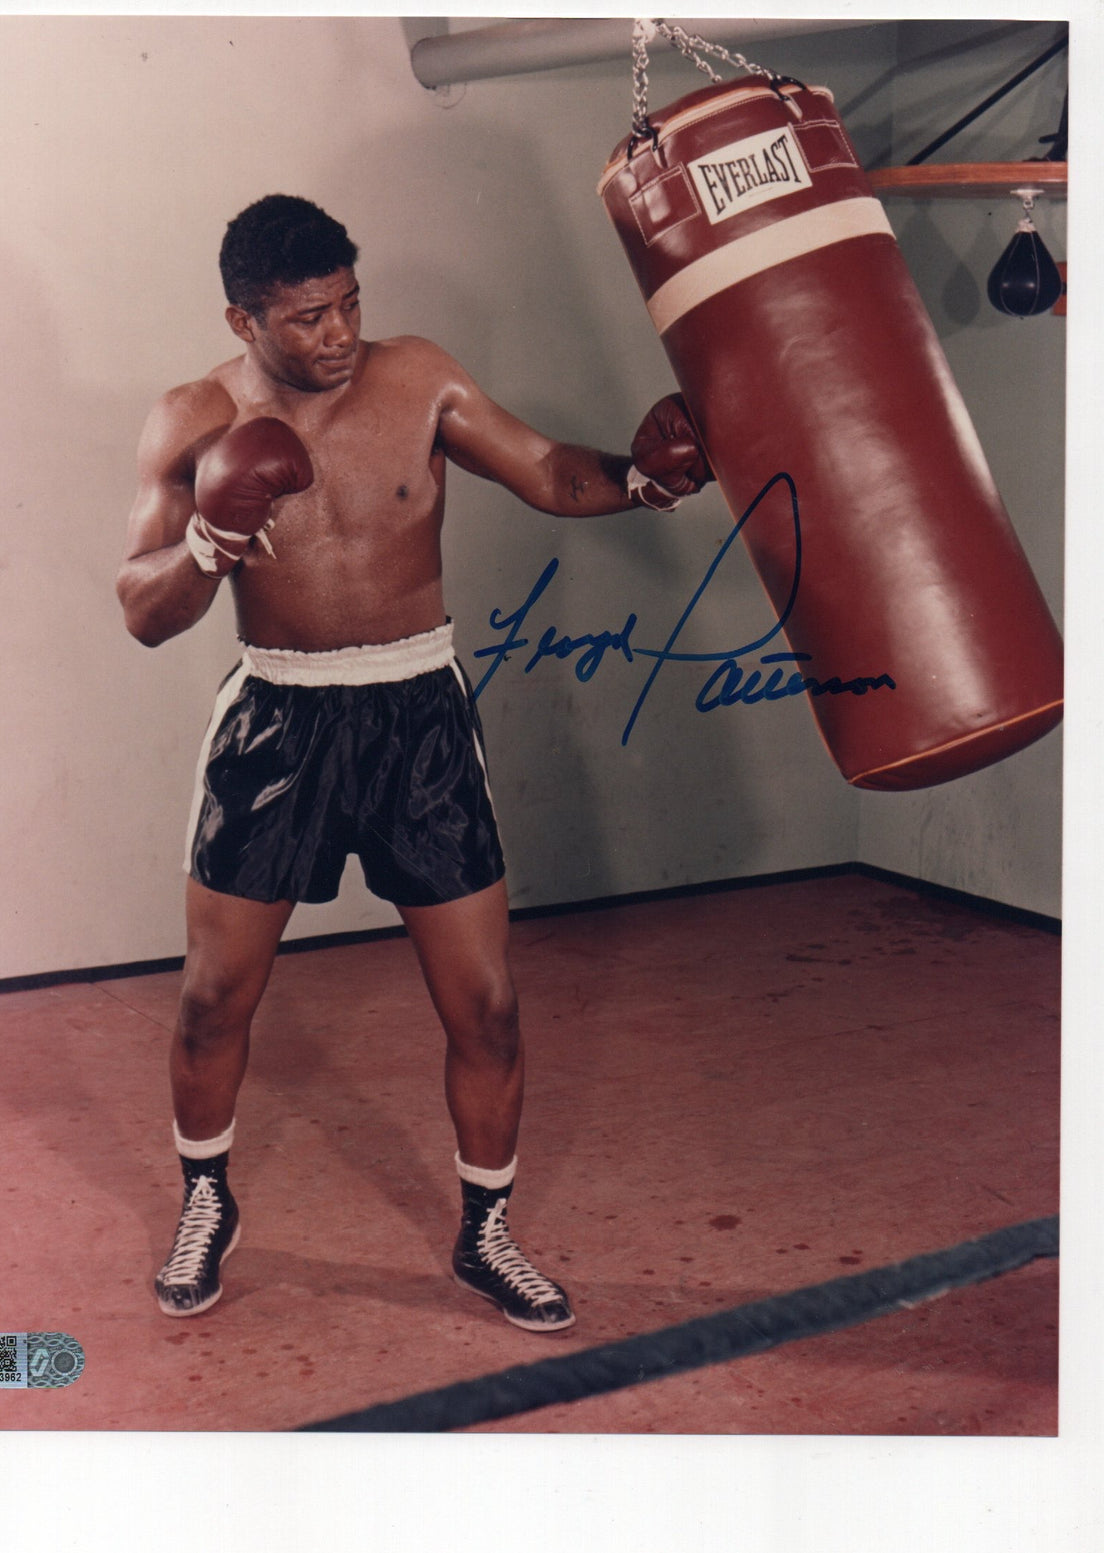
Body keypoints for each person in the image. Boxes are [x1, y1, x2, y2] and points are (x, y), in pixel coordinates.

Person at [117, 194, 711, 1332]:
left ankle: (485, 1232)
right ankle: (207, 1201)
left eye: (349, 304)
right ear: (243, 318)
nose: (337, 334)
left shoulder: (420, 377)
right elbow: (143, 609)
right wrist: (208, 533)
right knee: (211, 998)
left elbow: (547, 470)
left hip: (420, 714)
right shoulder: (190, 418)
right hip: (280, 720)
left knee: (485, 1002)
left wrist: (642, 479)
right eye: (305, 318)